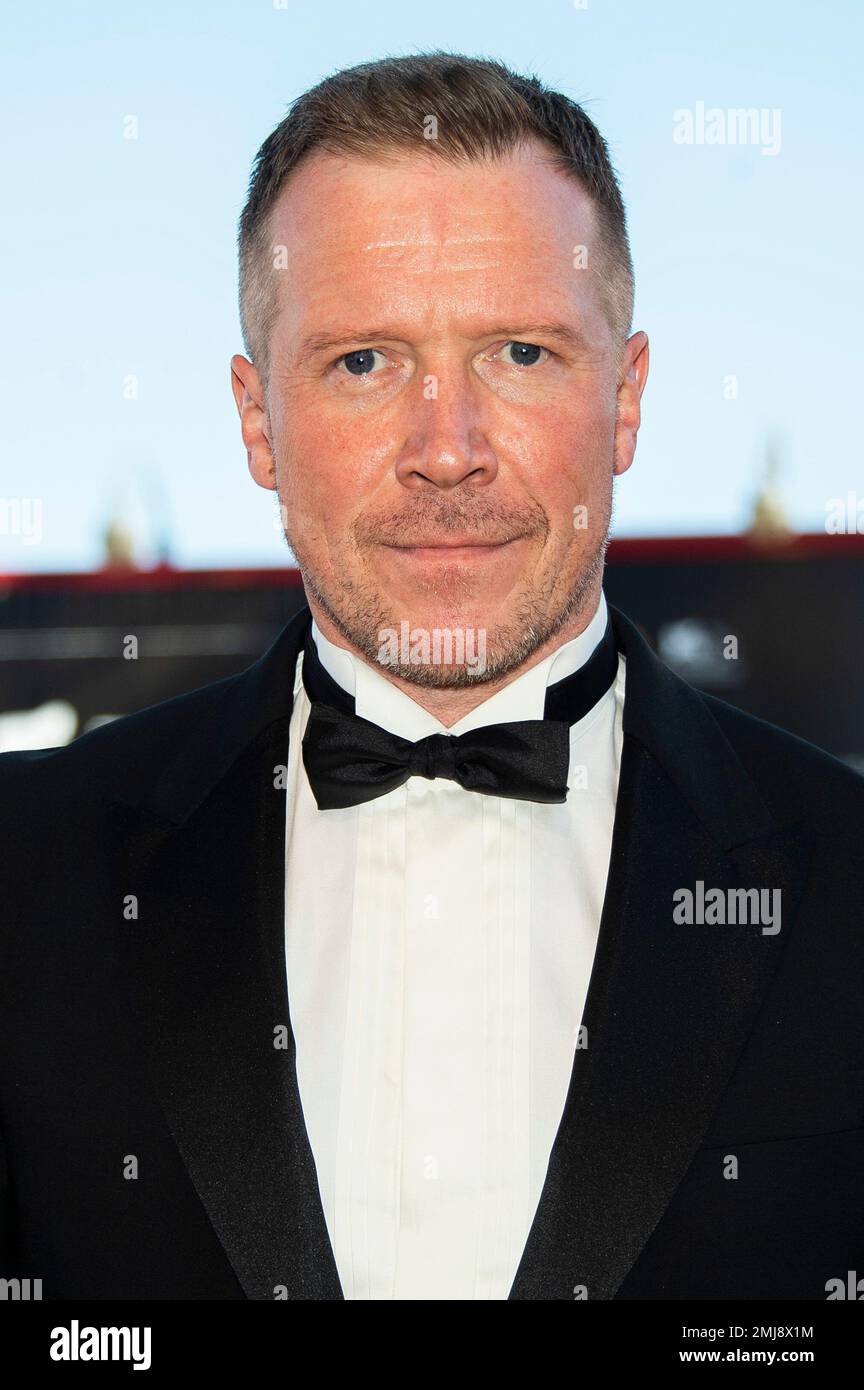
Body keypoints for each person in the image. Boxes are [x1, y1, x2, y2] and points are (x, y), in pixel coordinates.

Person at [1, 52, 862, 1302]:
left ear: (624, 401)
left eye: (518, 352)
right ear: (257, 424)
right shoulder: (26, 877)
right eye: (364, 362)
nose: (446, 450)